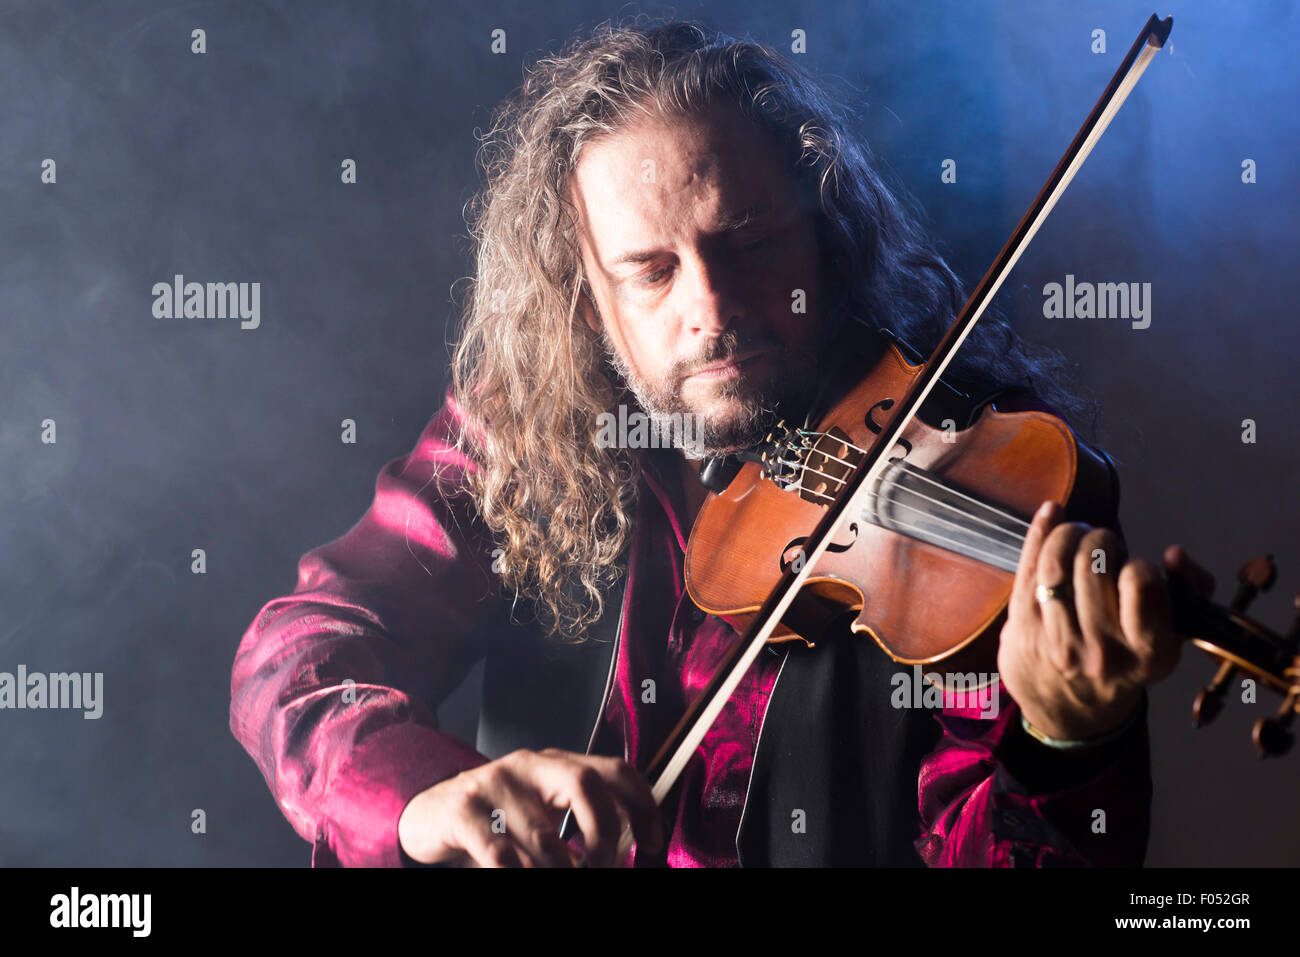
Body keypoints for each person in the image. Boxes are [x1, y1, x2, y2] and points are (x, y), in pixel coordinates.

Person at [229, 18, 1213, 868]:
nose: (712, 310)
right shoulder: (528, 423)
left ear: (825, 234)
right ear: (586, 297)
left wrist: (1062, 745)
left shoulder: (978, 469)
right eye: (650, 271)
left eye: (745, 245)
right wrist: (420, 797)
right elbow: (301, 652)